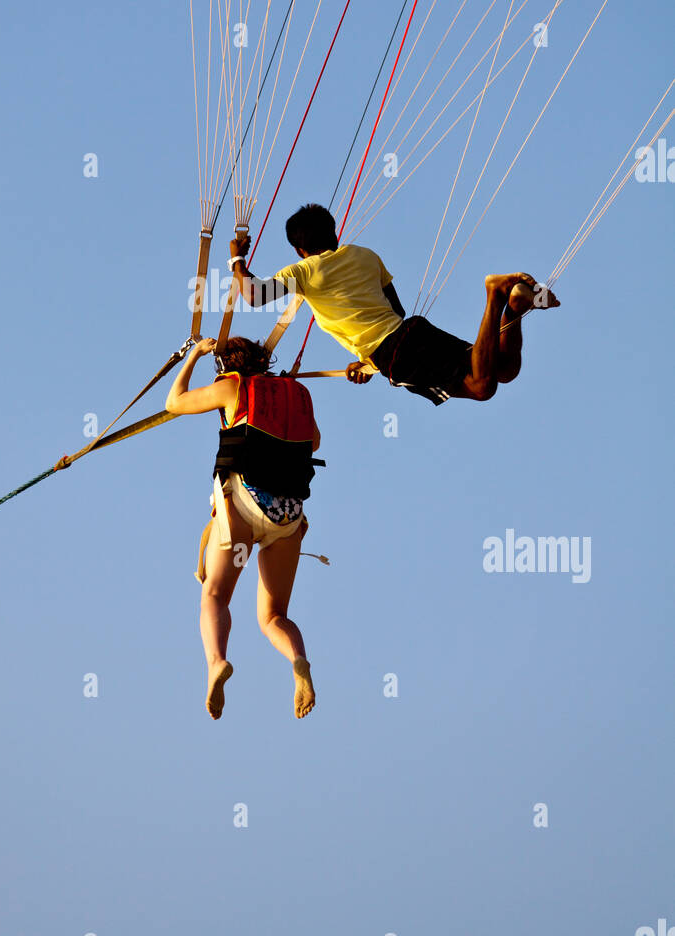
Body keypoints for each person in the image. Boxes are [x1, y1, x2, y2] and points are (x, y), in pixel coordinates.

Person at [228, 203, 559, 405]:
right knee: (502, 368)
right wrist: (367, 365)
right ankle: (514, 308)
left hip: (393, 353)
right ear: (334, 232)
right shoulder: (364, 255)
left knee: (481, 387)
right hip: (410, 330)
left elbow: (254, 295)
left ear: (300, 250)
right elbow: (396, 311)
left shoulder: (303, 271)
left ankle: (496, 295)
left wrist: (237, 261)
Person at [165, 335, 321, 721]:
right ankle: (299, 660)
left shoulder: (232, 387)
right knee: (273, 617)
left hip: (244, 508)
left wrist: (194, 356)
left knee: (215, 595)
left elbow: (174, 403)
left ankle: (217, 663)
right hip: (287, 517)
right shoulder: (298, 392)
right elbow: (313, 441)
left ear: (229, 368)